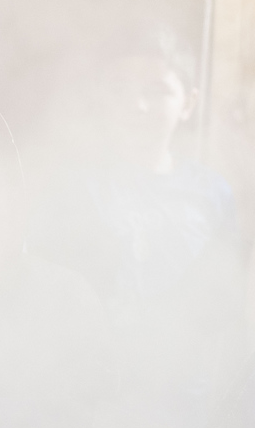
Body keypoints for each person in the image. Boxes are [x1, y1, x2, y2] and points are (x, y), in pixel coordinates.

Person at [31, 27, 243, 404]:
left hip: (190, 396)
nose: (138, 105)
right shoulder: (73, 187)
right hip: (94, 393)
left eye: (158, 91)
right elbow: (51, 296)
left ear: (188, 103)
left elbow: (226, 301)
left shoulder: (212, 194)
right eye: (120, 89)